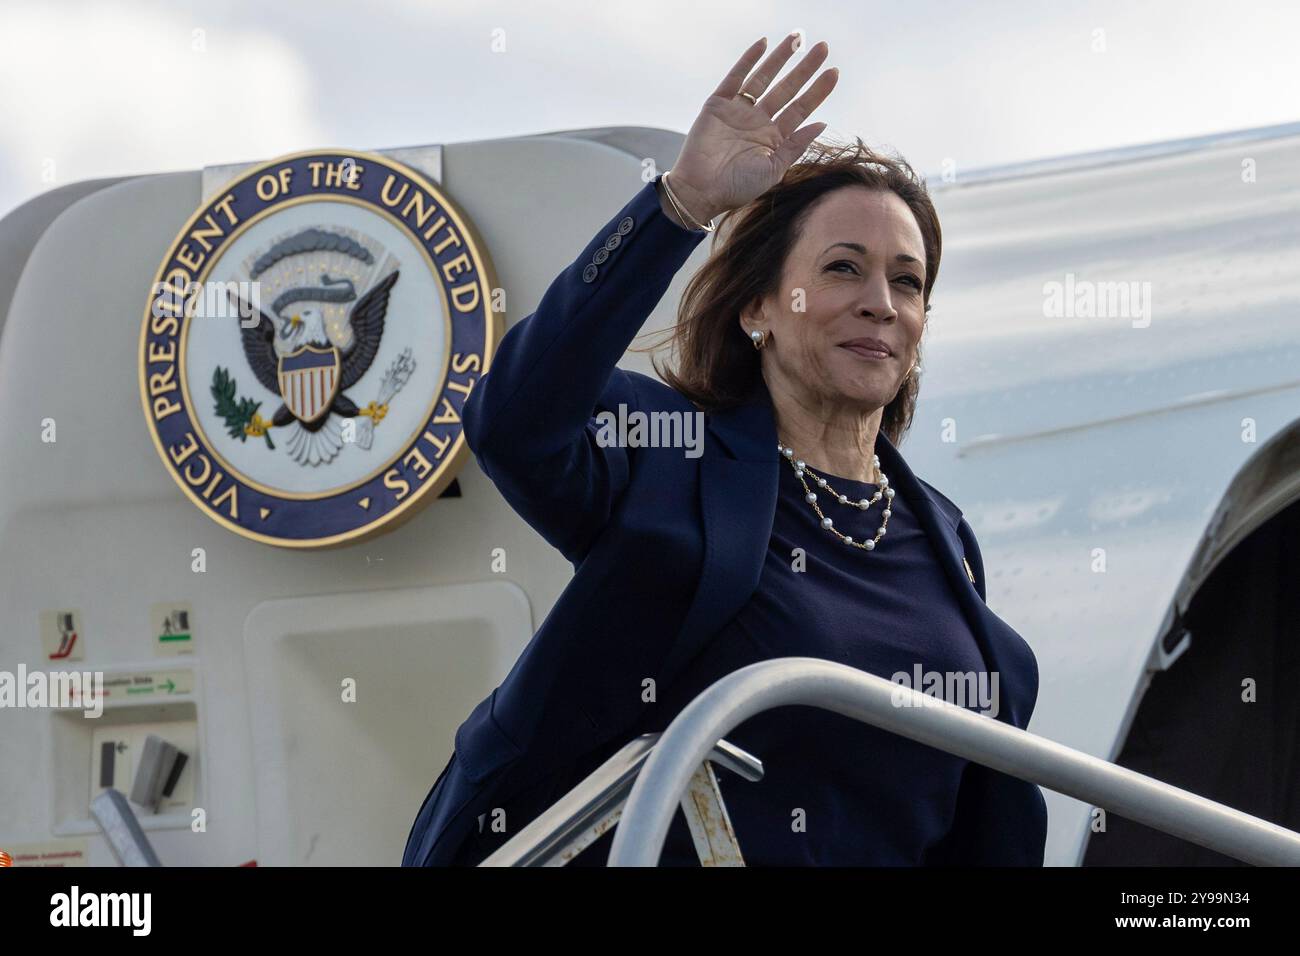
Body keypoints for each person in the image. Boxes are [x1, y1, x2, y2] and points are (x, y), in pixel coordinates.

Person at [402, 33, 1047, 867]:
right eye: (844, 269)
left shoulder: (946, 538)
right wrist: (680, 205)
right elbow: (516, 419)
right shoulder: (671, 456)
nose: (881, 303)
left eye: (908, 280)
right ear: (759, 310)